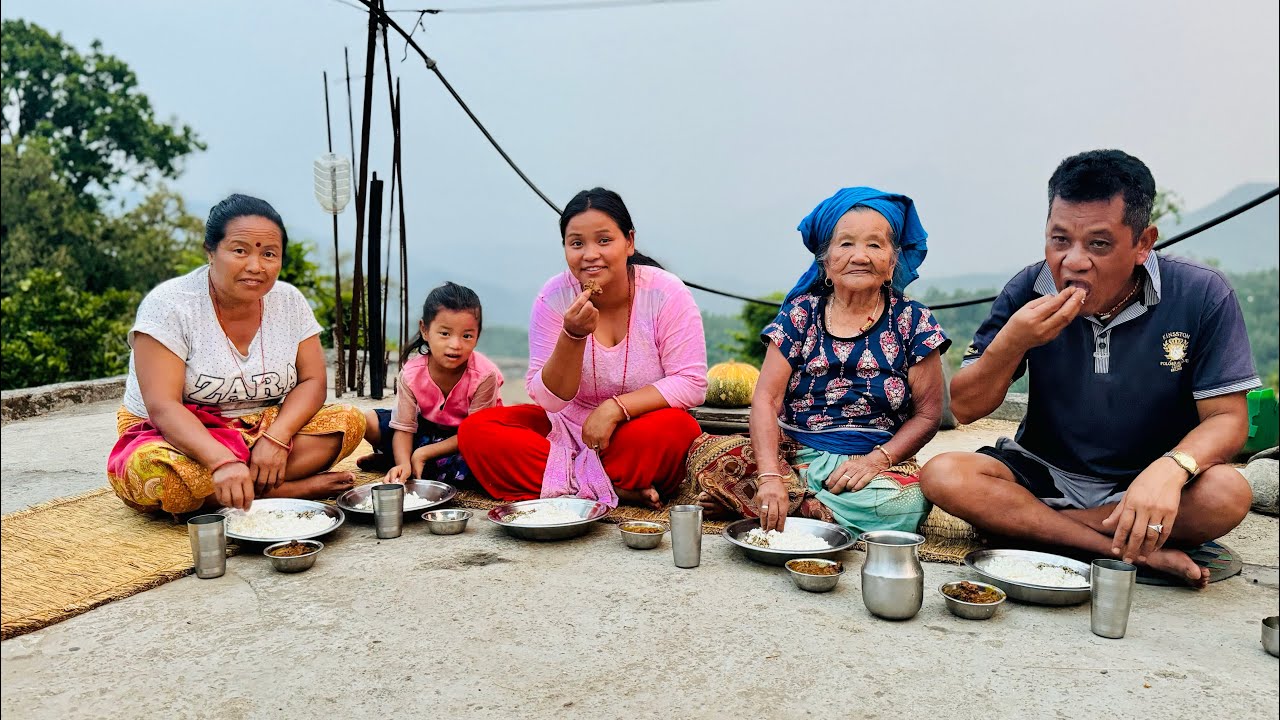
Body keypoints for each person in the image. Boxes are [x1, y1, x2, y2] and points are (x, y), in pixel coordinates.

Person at [919, 150, 1258, 587]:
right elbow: (965, 406)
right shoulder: (1029, 287)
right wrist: (1014, 341)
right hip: (1045, 472)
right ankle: (1123, 550)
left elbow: (1229, 419)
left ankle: (1042, 529)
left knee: (1228, 494)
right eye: (1060, 240)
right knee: (945, 474)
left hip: (1148, 482)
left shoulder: (1201, 293)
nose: (1074, 261)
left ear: (1143, 243)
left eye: (1098, 244)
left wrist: (1171, 470)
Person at [689, 187, 950, 534]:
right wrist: (769, 476)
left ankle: (775, 508)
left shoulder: (912, 319)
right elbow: (766, 401)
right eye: (846, 244)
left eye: (875, 244)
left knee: (907, 502)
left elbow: (929, 414)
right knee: (709, 452)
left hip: (873, 463)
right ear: (826, 262)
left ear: (892, 263)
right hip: (795, 455)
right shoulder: (801, 314)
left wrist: (876, 461)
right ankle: (793, 503)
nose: (860, 256)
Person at [107, 194, 367, 515]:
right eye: (240, 250)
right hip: (178, 434)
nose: (255, 267)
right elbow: (163, 406)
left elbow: (313, 380)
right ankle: (278, 491)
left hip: (264, 427)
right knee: (152, 472)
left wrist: (277, 438)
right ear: (211, 251)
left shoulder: (289, 302)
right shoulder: (170, 305)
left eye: (269, 254)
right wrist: (222, 460)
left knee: (349, 421)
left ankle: (225, 491)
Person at [458, 187, 706, 509]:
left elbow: (691, 382)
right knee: (478, 430)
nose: (590, 254)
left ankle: (571, 486)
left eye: (604, 240)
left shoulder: (665, 292)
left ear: (629, 242)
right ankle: (616, 489)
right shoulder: (554, 296)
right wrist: (572, 336)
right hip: (564, 434)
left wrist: (615, 409)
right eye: (577, 243)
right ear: (565, 248)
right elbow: (546, 397)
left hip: (634, 432)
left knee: (677, 427)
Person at [359, 282, 504, 484]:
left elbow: (476, 434)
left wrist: (424, 454)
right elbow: (404, 427)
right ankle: (402, 464)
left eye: (467, 336)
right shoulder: (411, 374)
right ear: (425, 330)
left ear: (477, 336)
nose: (455, 344)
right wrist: (403, 463)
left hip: (465, 440)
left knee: (488, 465)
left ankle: (398, 462)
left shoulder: (484, 375)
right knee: (368, 422)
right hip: (427, 430)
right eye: (445, 333)